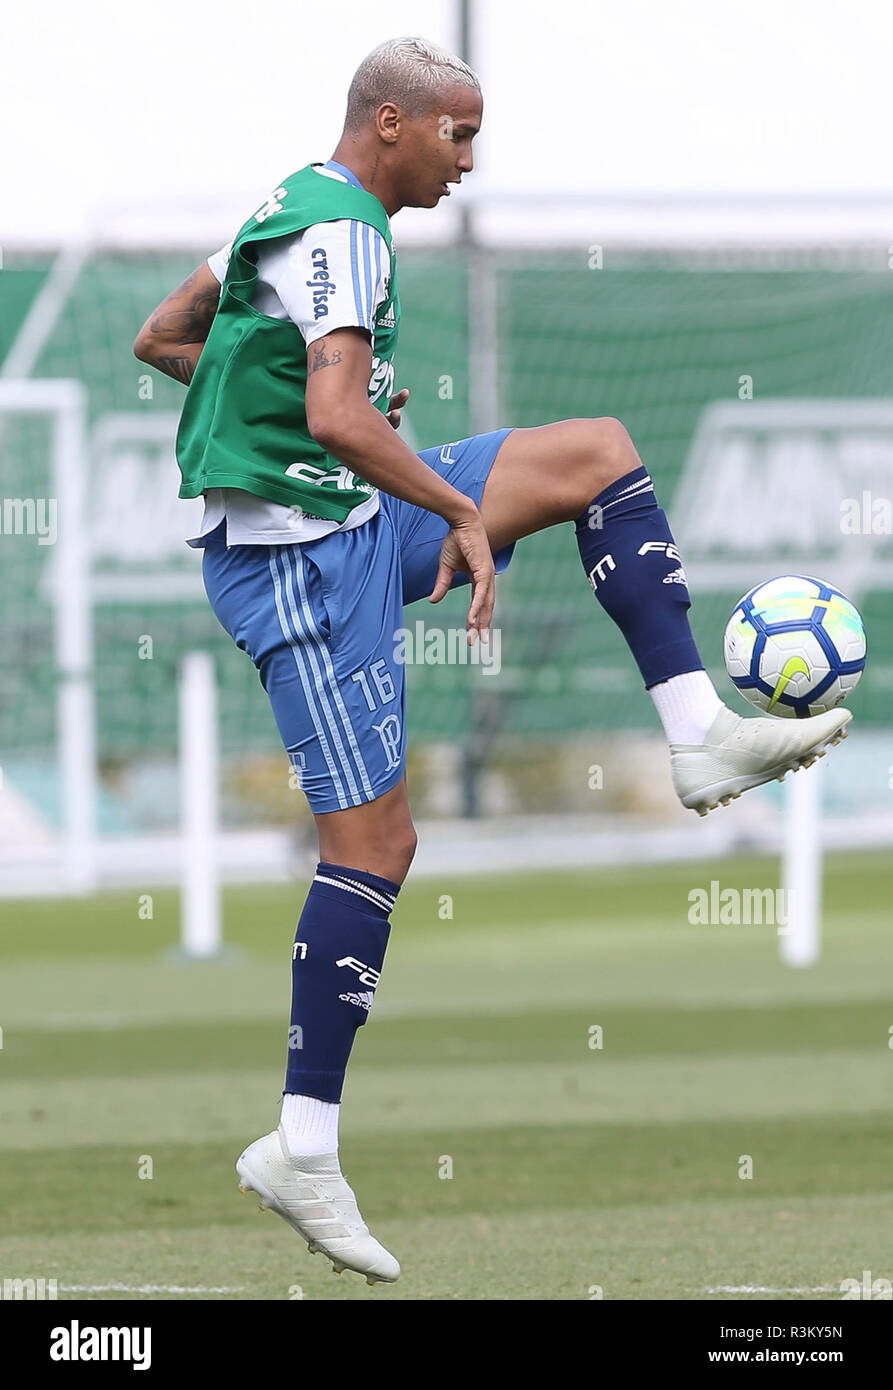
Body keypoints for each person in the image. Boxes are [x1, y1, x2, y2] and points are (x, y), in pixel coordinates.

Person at [133, 36, 850, 1286]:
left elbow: (168, 335)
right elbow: (336, 414)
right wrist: (450, 508)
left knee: (596, 452)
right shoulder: (343, 227)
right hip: (295, 566)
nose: (470, 160)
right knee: (375, 847)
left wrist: (288, 414)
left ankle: (695, 736)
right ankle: (301, 1147)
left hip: (345, 515)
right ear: (392, 122)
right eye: (457, 134)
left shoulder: (293, 201)